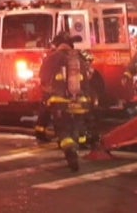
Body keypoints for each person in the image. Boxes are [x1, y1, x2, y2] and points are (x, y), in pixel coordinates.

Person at [33, 31, 93, 172]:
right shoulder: (80, 58)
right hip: (80, 103)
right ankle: (75, 146)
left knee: (63, 131)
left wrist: (48, 98)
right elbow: (88, 80)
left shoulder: (53, 58)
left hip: (60, 103)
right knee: (75, 129)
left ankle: (70, 152)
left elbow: (43, 78)